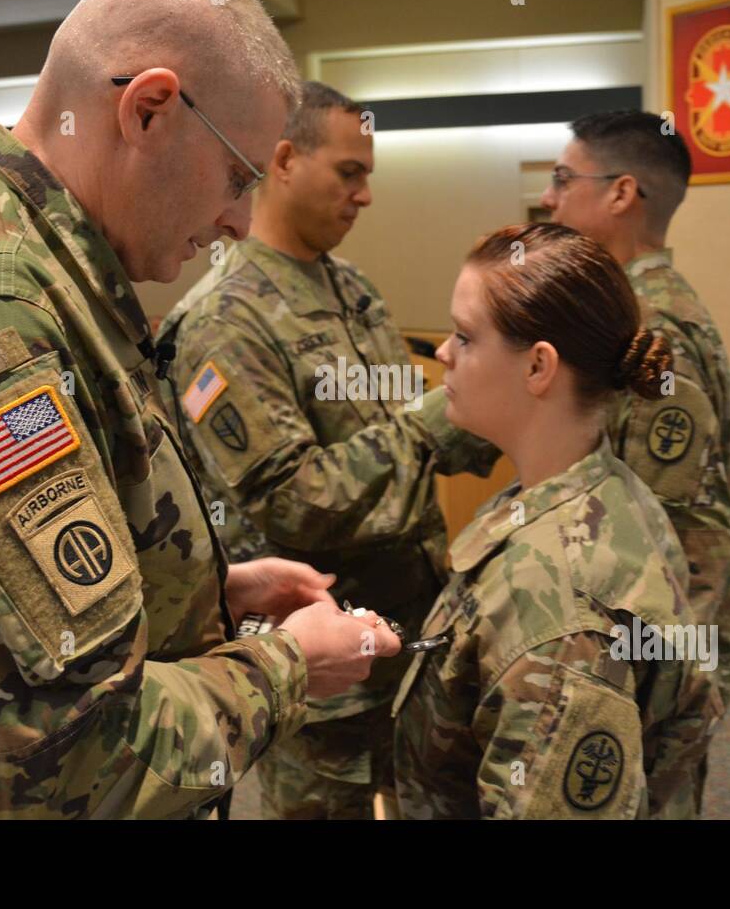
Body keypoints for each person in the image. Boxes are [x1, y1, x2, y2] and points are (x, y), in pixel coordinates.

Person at [0, 0, 399, 820]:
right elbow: (68, 756)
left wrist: (198, 587)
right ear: (148, 110)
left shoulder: (29, 257)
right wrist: (291, 666)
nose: (239, 221)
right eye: (239, 177)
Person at [158, 81, 498, 819]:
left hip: (411, 633)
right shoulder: (224, 319)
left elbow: (407, 439)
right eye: (350, 172)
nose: (365, 195)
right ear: (283, 160)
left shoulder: (353, 290)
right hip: (321, 671)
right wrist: (436, 422)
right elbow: (297, 502)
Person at [392, 223, 721, 819]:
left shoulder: (565, 624)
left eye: (465, 337)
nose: (442, 352)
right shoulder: (592, 488)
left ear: (539, 367)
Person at [542, 110, 730, 814]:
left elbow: (679, 539)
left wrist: (633, 691)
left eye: (564, 180)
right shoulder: (639, 309)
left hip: (660, 668)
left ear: (622, 193)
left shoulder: (653, 331)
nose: (550, 198)